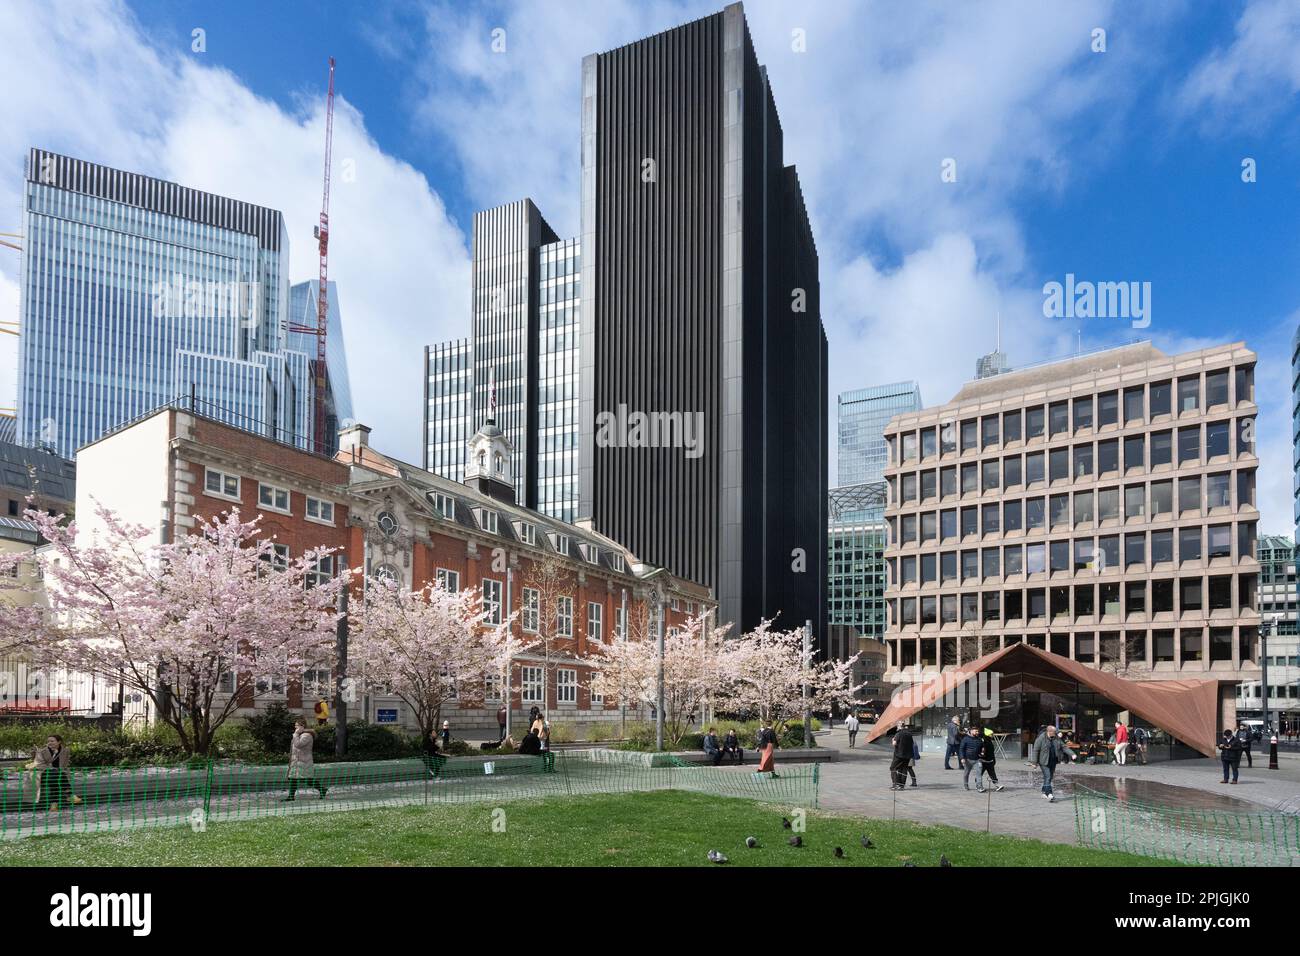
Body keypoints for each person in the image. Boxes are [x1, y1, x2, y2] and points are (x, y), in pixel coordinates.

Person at [29, 734, 79, 811]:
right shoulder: (42, 751)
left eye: (52, 741)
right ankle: (69, 795)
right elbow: (39, 765)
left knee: (55, 779)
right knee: (55, 774)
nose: (50, 743)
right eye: (48, 741)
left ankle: (54, 806)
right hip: (43, 774)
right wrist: (53, 759)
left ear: (59, 742)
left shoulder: (65, 751)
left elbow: (65, 764)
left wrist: (59, 770)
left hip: (58, 775)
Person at [283, 722, 327, 801]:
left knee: (306, 779)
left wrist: (296, 734)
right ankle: (291, 796)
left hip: (304, 762)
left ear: (302, 726)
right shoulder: (300, 735)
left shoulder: (307, 735)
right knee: (293, 779)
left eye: (297, 726)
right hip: (296, 761)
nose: (295, 727)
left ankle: (322, 789)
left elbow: (298, 744)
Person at [1028, 725, 1069, 802]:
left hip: (1053, 760)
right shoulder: (1041, 738)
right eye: (1055, 732)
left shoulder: (1055, 738)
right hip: (1043, 761)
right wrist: (1034, 762)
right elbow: (1035, 751)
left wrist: (1072, 754)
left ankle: (1044, 792)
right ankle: (1049, 794)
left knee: (1049, 777)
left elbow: (1063, 747)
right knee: (1048, 776)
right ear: (1049, 732)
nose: (1056, 734)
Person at [977, 727, 1003, 792]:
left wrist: (993, 760)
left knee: (992, 774)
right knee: (979, 774)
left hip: (990, 761)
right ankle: (979, 786)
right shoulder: (983, 742)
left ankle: (997, 785)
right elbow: (980, 751)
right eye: (991, 734)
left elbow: (991, 753)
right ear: (987, 735)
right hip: (983, 761)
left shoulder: (989, 741)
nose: (992, 735)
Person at [889, 721, 913, 790]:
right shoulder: (909, 734)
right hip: (908, 755)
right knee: (903, 769)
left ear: (899, 726)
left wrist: (893, 740)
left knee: (893, 768)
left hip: (899, 754)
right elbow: (912, 743)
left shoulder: (898, 734)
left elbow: (894, 743)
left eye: (897, 726)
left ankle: (895, 784)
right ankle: (901, 785)